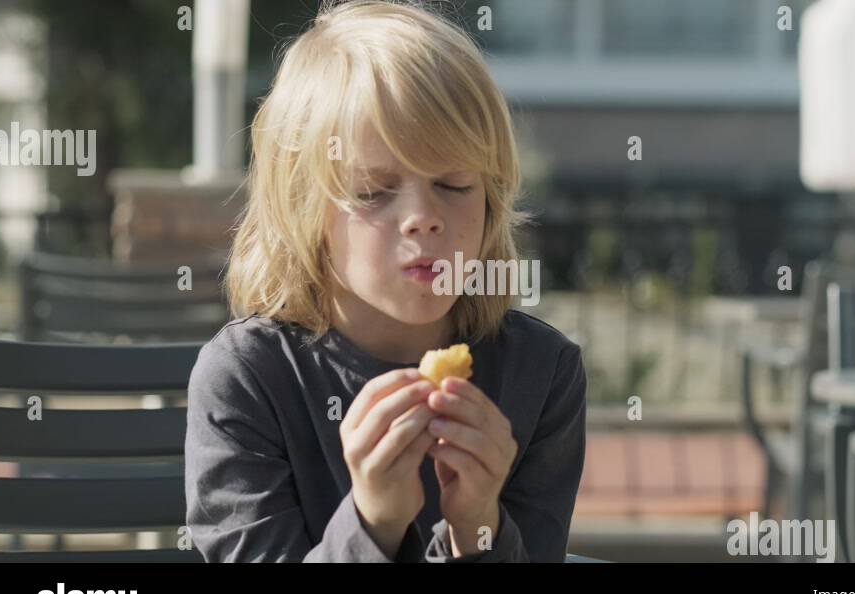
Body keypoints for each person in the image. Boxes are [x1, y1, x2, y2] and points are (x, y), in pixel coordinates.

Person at [184, 0, 587, 562]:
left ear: (491, 202)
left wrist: (478, 526)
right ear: (304, 210)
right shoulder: (248, 378)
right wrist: (371, 521)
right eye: (373, 190)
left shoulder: (541, 373)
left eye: (453, 183)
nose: (423, 216)